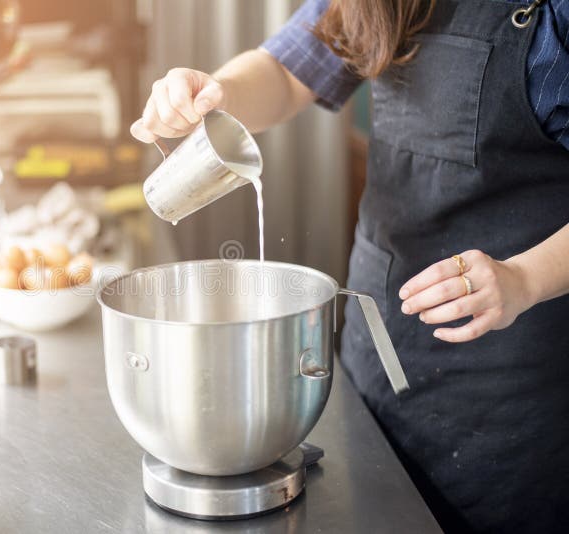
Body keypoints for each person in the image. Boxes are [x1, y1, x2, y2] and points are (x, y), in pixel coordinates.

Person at [130, 1, 569, 532]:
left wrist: (525, 277)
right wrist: (214, 94)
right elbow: (288, 72)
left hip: (511, 394)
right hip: (377, 350)